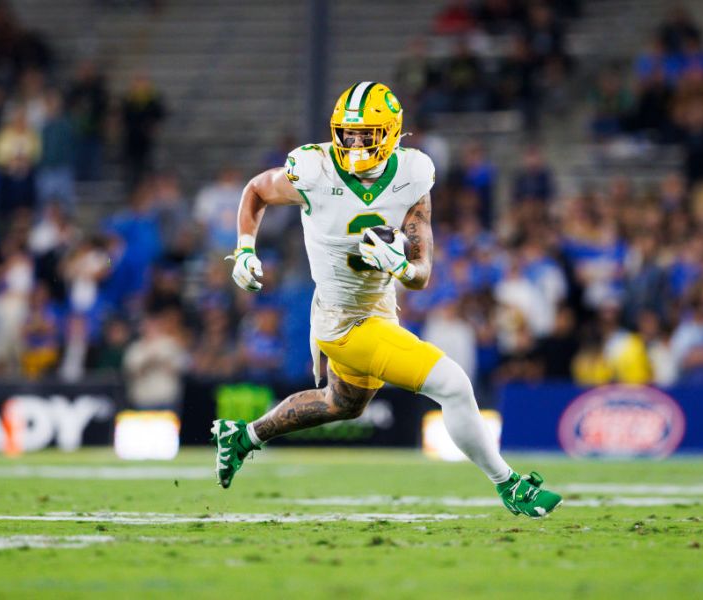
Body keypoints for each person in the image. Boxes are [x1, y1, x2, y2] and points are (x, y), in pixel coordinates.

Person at [211, 81, 562, 518]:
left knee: (342, 404)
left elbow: (420, 274)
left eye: (366, 134)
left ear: (391, 133)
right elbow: (257, 190)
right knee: (452, 385)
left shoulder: (412, 174)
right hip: (342, 319)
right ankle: (509, 484)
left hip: (378, 306)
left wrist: (400, 266)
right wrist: (245, 249)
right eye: (348, 133)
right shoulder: (314, 169)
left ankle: (242, 437)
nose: (355, 144)